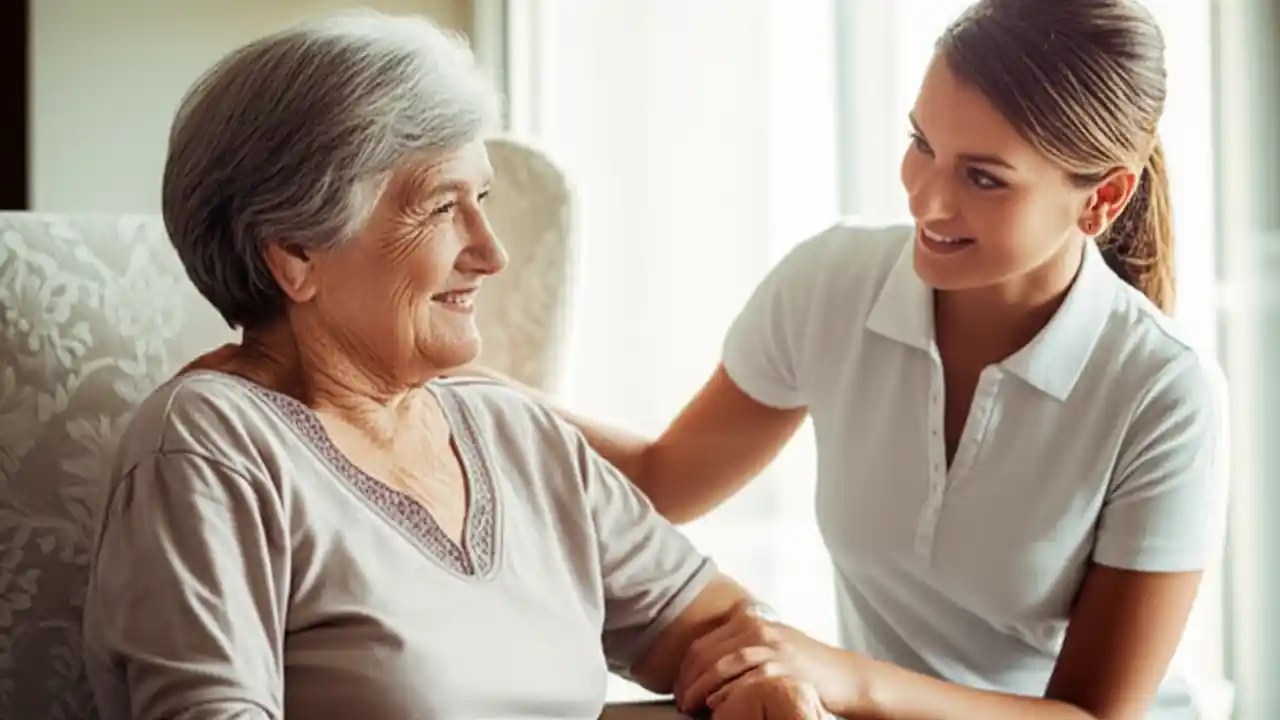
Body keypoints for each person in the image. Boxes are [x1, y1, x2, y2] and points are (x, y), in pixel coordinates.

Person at [479, 1, 1228, 717]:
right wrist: (452, 378)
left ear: (1101, 201)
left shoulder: (1163, 391)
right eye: (922, 145)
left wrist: (848, 679)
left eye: (983, 177)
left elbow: (1093, 714)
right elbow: (660, 480)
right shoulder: (833, 283)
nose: (927, 201)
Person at [80, 12, 823, 720]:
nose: (491, 252)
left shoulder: (514, 436)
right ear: (295, 254)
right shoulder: (212, 444)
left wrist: (771, 683)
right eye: (441, 207)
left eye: (485, 198)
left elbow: (720, 628)